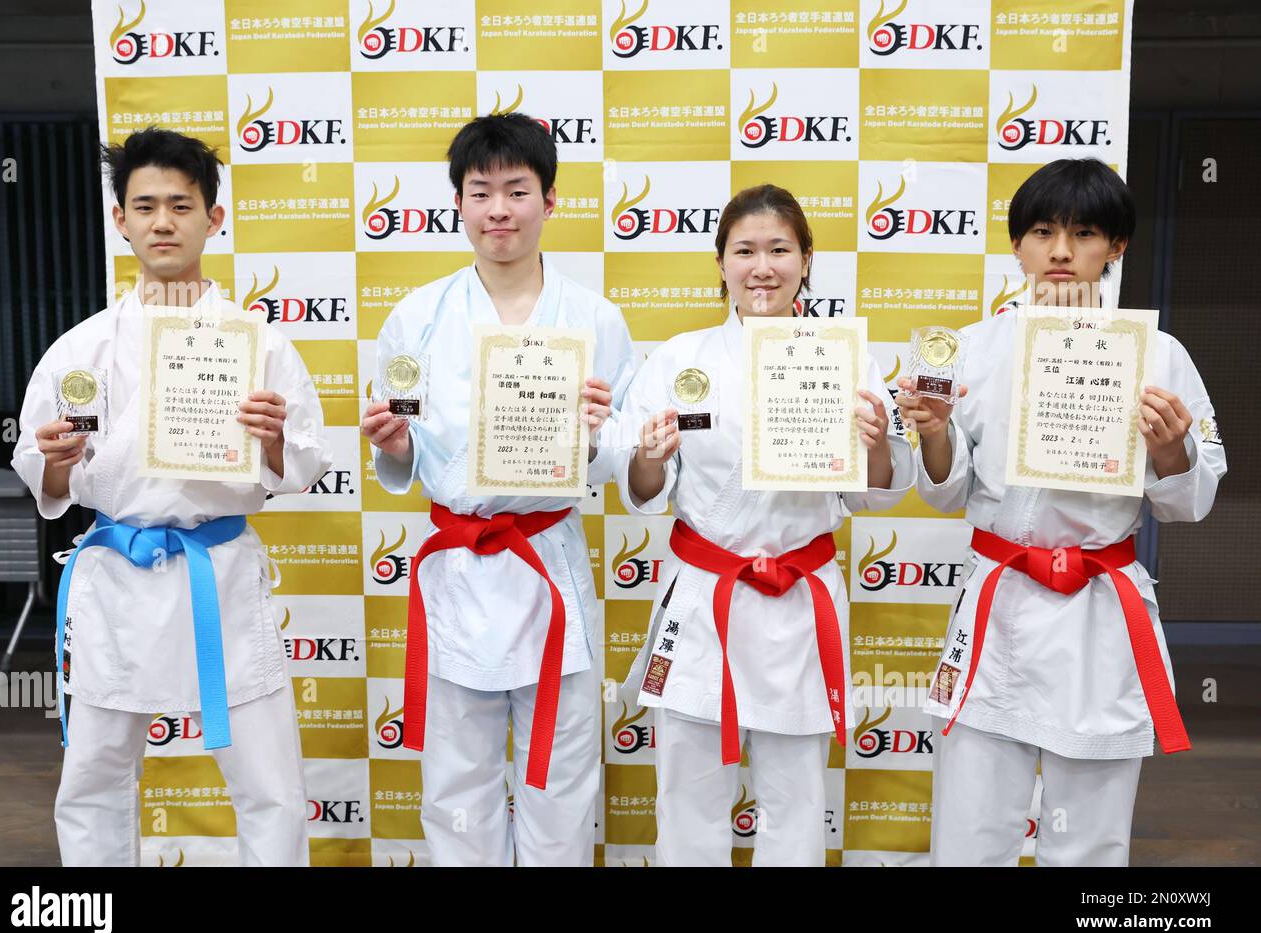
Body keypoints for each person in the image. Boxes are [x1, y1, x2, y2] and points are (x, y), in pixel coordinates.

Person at [12, 127, 331, 866]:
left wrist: (274, 440)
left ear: (213, 219)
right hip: (116, 581)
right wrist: (59, 464)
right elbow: (45, 479)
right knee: (93, 777)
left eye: (181, 206)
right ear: (118, 219)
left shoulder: (258, 344)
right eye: (145, 205)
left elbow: (302, 465)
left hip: (214, 577)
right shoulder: (80, 348)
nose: (162, 222)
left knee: (270, 784)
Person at [898, 158, 1227, 866]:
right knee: (970, 833)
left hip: (1098, 616)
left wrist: (1173, 451)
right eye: (1042, 231)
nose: (1059, 251)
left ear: (1116, 247)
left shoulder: (1161, 358)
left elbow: (1193, 499)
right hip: (1001, 604)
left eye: (1083, 233)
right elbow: (947, 492)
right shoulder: (972, 351)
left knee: (1088, 839)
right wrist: (932, 432)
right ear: (1016, 244)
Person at [361, 112, 635, 866]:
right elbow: (405, 445)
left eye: (518, 191)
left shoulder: (595, 320)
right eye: (481, 192)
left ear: (551, 200)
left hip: (547, 561)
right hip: (460, 566)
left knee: (562, 774)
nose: (499, 211)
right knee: (457, 781)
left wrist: (590, 440)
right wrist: (393, 443)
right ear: (457, 203)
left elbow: (623, 453)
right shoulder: (417, 317)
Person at [613, 184, 915, 866]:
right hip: (703, 598)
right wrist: (647, 458)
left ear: (807, 261)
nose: (762, 267)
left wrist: (873, 443)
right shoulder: (678, 360)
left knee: (796, 796)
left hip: (797, 603)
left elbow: (876, 496)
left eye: (780, 249)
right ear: (720, 263)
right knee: (688, 793)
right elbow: (642, 492)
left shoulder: (847, 359)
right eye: (744, 250)